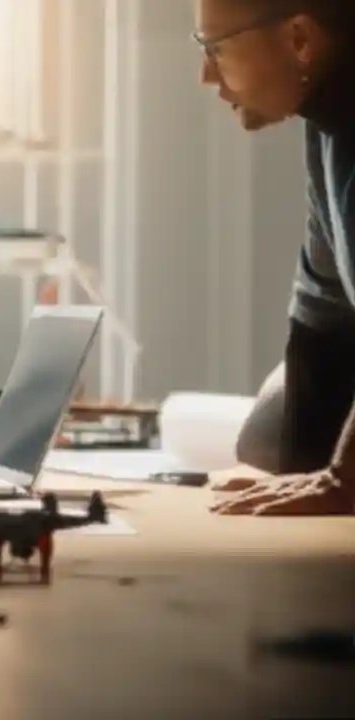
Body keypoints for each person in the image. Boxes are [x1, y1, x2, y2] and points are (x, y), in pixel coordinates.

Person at [194, 0, 355, 515]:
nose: (205, 75)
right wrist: (297, 471)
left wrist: (341, 479)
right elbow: (323, 313)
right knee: (265, 439)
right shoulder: (326, 123)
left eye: (216, 48)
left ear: (299, 39)